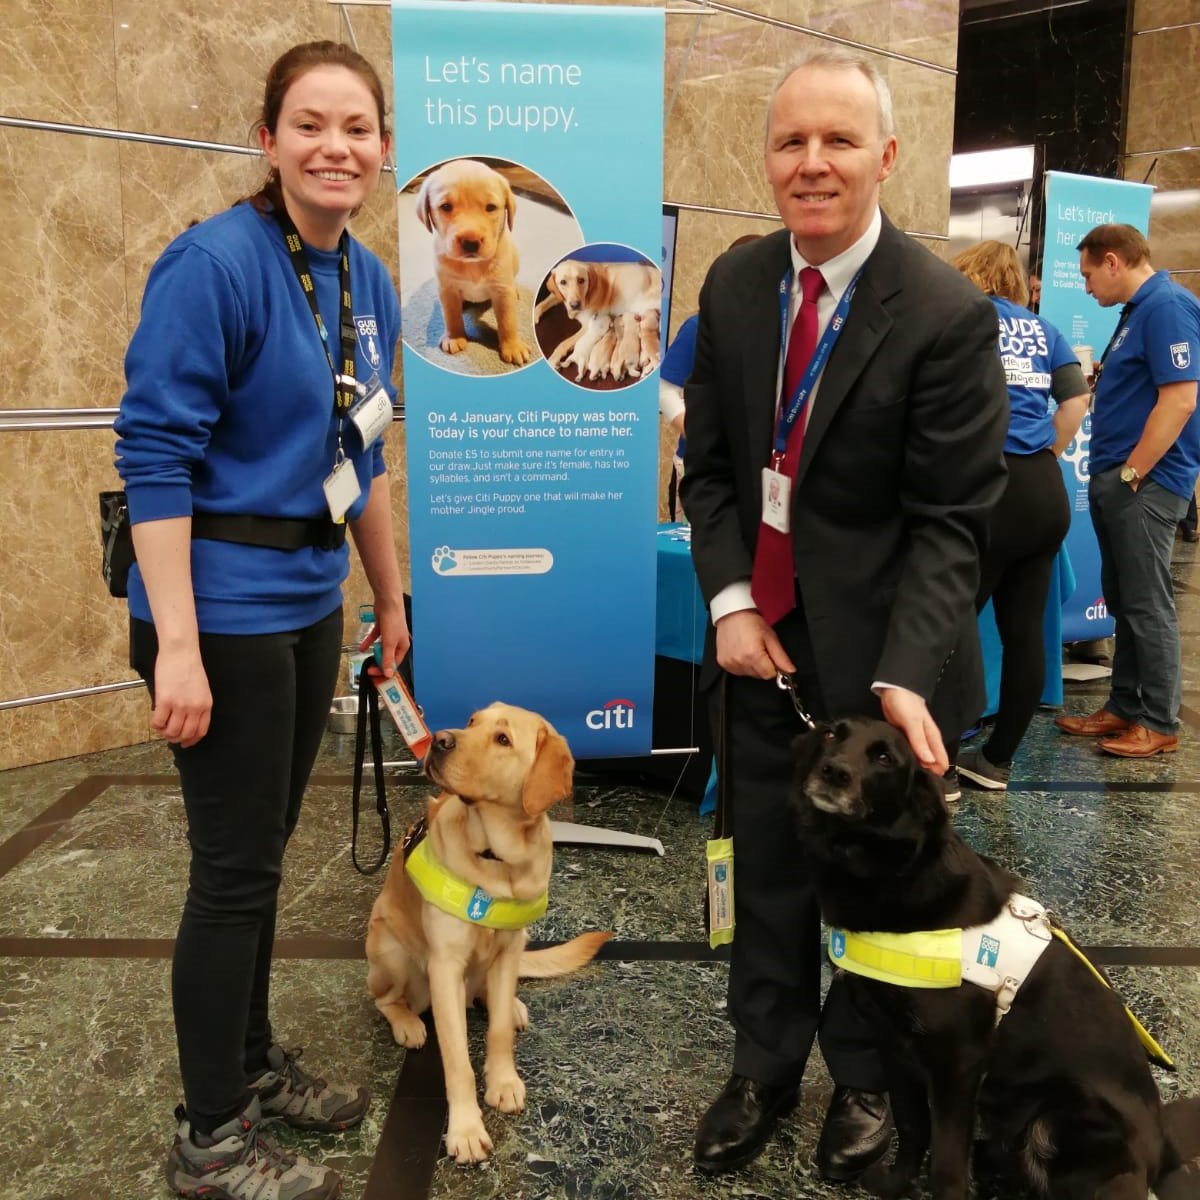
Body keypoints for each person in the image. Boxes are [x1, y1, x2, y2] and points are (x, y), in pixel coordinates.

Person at [681, 49, 1008, 1181]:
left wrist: (907, 674)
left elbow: (949, 524)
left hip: (884, 674)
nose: (811, 164)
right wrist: (728, 601)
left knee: (885, 889)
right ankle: (764, 1066)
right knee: (764, 862)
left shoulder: (946, 314)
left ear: (886, 157)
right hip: (759, 648)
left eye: (837, 142)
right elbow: (713, 473)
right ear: (766, 159)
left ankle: (866, 1081)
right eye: (790, 143)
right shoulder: (733, 287)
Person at [114, 41, 409, 1199]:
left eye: (357, 129)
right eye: (311, 125)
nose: (335, 147)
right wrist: (175, 645)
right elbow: (154, 457)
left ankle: (243, 1065)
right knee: (233, 874)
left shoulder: (367, 280)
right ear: (268, 137)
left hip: (305, 603)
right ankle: (210, 1141)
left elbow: (363, 451)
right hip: (216, 611)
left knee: (260, 860)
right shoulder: (214, 265)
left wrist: (387, 599)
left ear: (382, 150)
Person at [1055, 224, 1200, 757]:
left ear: (1113, 261)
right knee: (1125, 598)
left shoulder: (1165, 307)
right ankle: (1124, 705)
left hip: (1147, 483)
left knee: (1146, 604)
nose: (1088, 287)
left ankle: (1158, 720)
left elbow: (1181, 399)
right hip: (1125, 480)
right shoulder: (1138, 314)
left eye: (1090, 274)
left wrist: (1134, 473)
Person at [950, 241, 1089, 791]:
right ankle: (996, 761)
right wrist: (1045, 453)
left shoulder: (963, 318)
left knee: (947, 628)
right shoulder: (1043, 328)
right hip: (1042, 490)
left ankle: (937, 770)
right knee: (1025, 632)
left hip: (985, 487)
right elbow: (1076, 402)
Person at [659, 236, 761, 520]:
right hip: (699, 468)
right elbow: (665, 391)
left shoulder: (778, 330)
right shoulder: (700, 326)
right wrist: (699, 431)